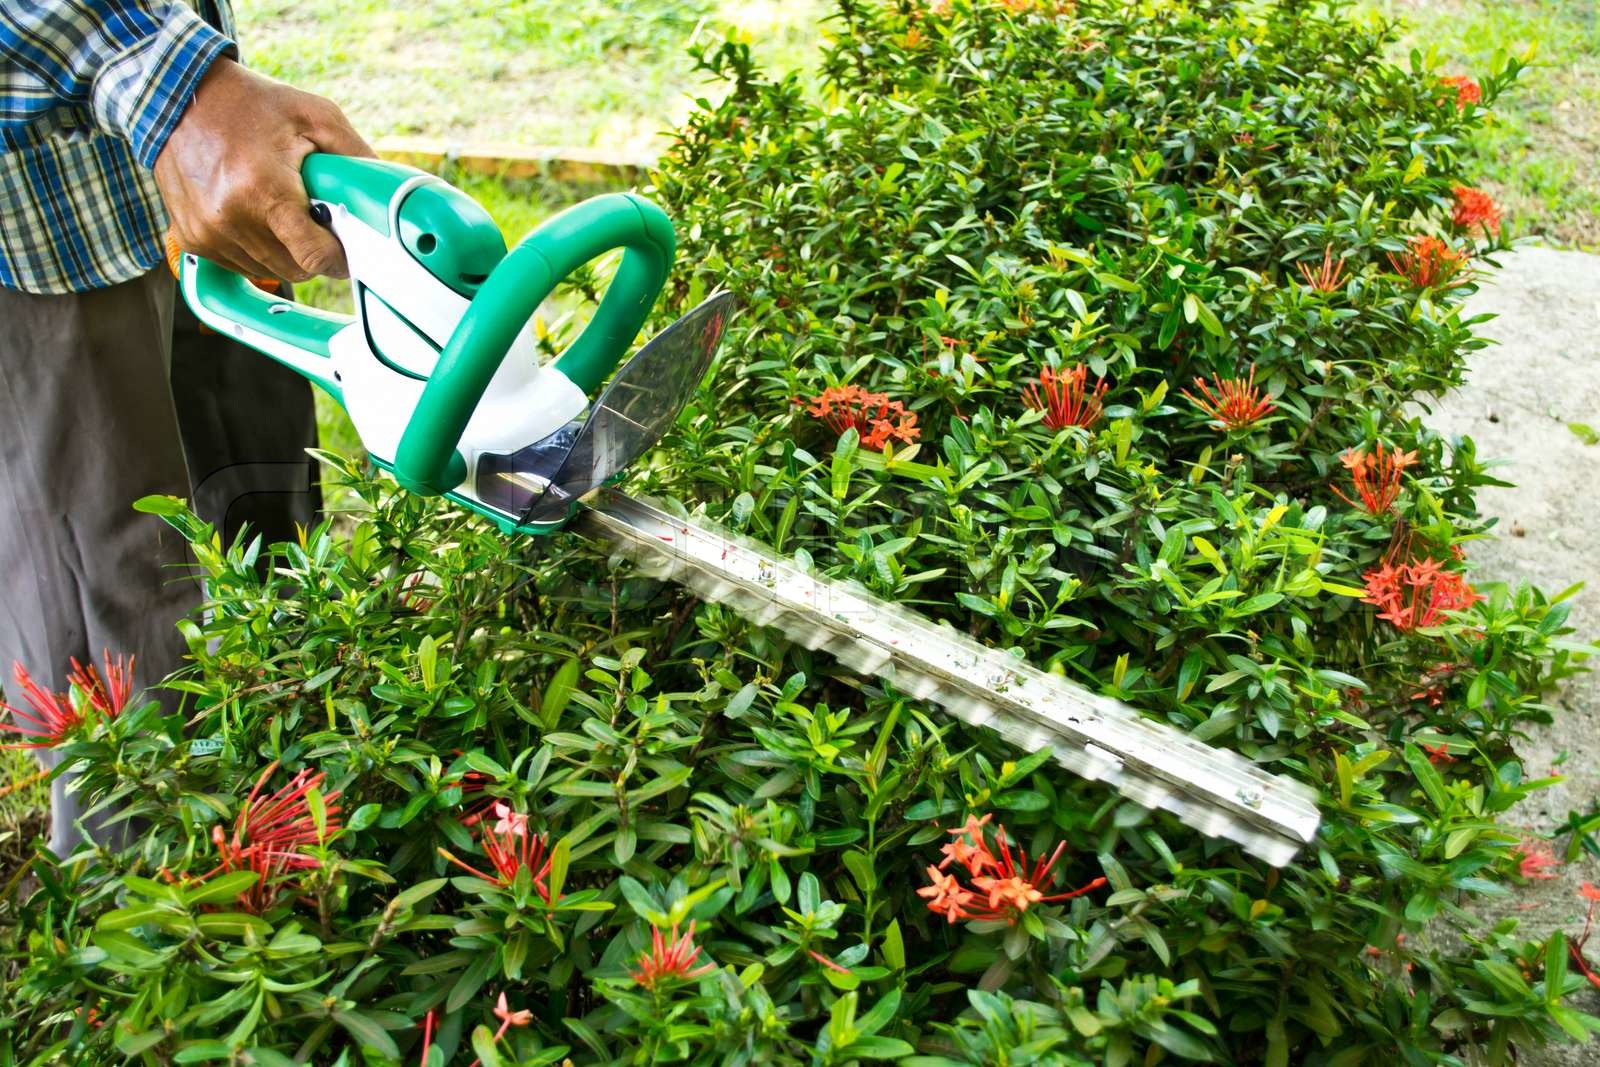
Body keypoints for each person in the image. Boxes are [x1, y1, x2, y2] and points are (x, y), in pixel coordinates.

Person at [1, 0, 370, 855]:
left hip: (205, 180)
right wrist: (176, 83)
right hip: (52, 210)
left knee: (270, 527)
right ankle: (151, 891)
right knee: (120, 605)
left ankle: (296, 827)